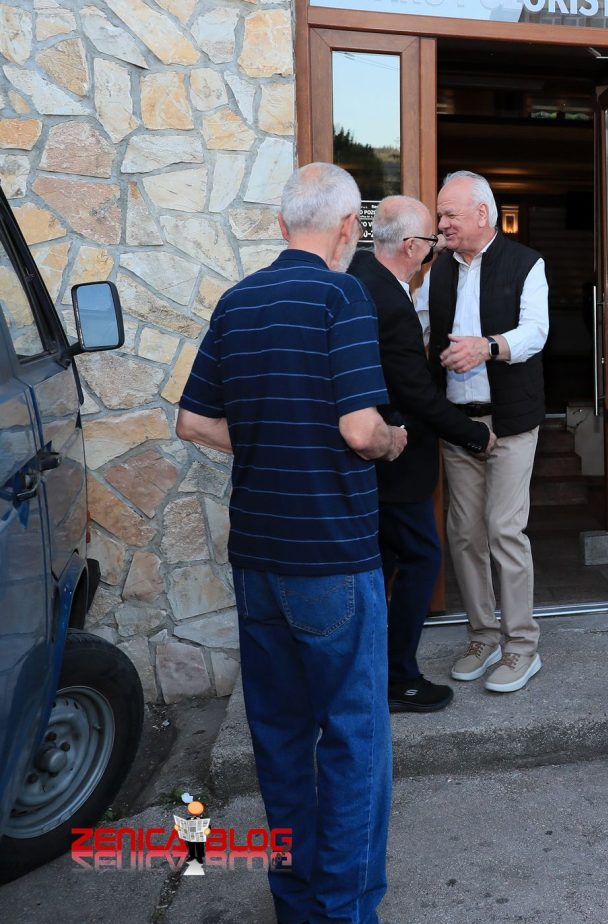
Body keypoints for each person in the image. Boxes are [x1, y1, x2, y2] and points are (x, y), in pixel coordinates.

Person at [176, 162, 403, 921]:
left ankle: (295, 903)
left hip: (258, 564)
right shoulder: (345, 294)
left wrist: (272, 440)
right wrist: (396, 439)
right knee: (354, 742)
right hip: (331, 558)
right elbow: (359, 429)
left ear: (281, 226)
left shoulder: (238, 301)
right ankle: (344, 911)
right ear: (347, 230)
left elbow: (194, 421)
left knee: (277, 739)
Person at [348, 195, 497, 713]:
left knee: (385, 561)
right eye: (431, 241)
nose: (434, 249)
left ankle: (375, 669)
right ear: (411, 246)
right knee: (421, 557)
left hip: (376, 461)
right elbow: (411, 390)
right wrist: (472, 434)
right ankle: (400, 678)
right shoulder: (387, 299)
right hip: (395, 460)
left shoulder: (361, 277)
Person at [423, 170, 549, 693]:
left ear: (482, 214)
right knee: (464, 534)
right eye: (439, 214)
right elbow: (423, 326)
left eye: (450, 214)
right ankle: (482, 635)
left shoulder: (526, 263)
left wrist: (487, 346)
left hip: (512, 423)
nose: (442, 223)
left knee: (503, 529)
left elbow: (536, 331)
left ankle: (522, 647)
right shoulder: (438, 270)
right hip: (459, 423)